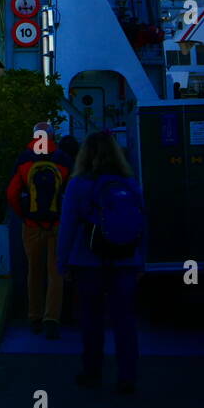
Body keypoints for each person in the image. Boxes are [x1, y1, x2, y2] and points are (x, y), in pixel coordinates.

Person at [58, 131, 146, 393]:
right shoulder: (130, 184)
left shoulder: (78, 185)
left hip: (88, 261)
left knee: (91, 320)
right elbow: (142, 223)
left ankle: (92, 371)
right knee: (125, 321)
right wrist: (140, 260)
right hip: (126, 261)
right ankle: (127, 376)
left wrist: (62, 262)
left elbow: (68, 226)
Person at [5, 121, 72, 338]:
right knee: (56, 273)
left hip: (32, 225)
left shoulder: (24, 158)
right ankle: (52, 319)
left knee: (34, 271)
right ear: (52, 136)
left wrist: (24, 214)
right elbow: (71, 194)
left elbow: (12, 193)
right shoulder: (62, 159)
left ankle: (34, 316)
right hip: (57, 224)